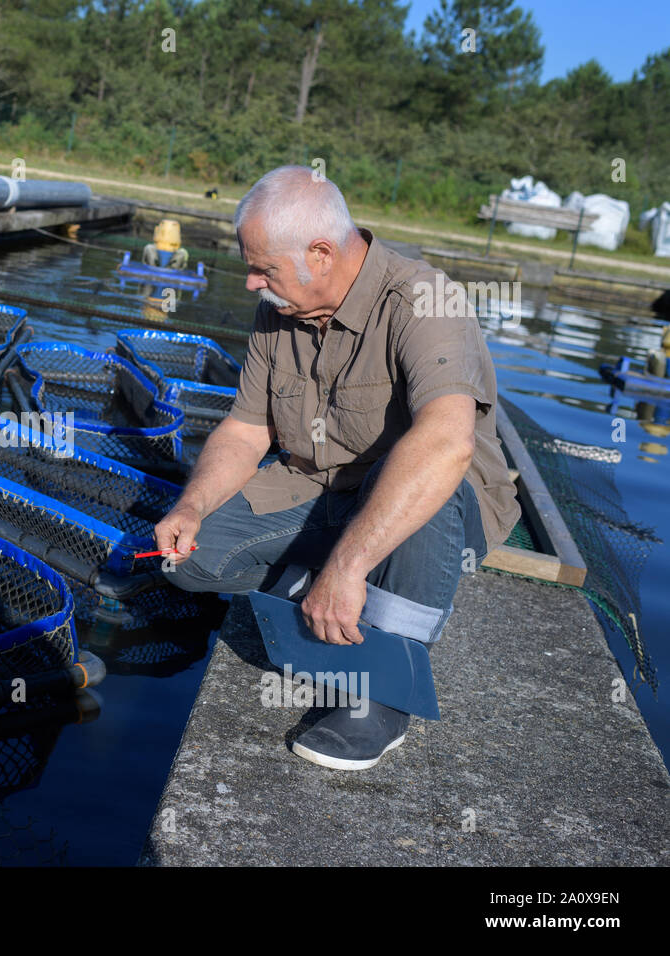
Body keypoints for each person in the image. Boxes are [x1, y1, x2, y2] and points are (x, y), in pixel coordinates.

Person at [154, 164, 520, 770]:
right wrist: (190, 507)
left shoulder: (426, 300)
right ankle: (323, 590)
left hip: (427, 499)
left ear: (321, 254)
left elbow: (446, 443)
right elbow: (247, 429)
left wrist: (349, 566)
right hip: (316, 484)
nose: (251, 283)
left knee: (411, 470)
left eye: (263, 268)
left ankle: (383, 693)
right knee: (187, 562)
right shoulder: (281, 304)